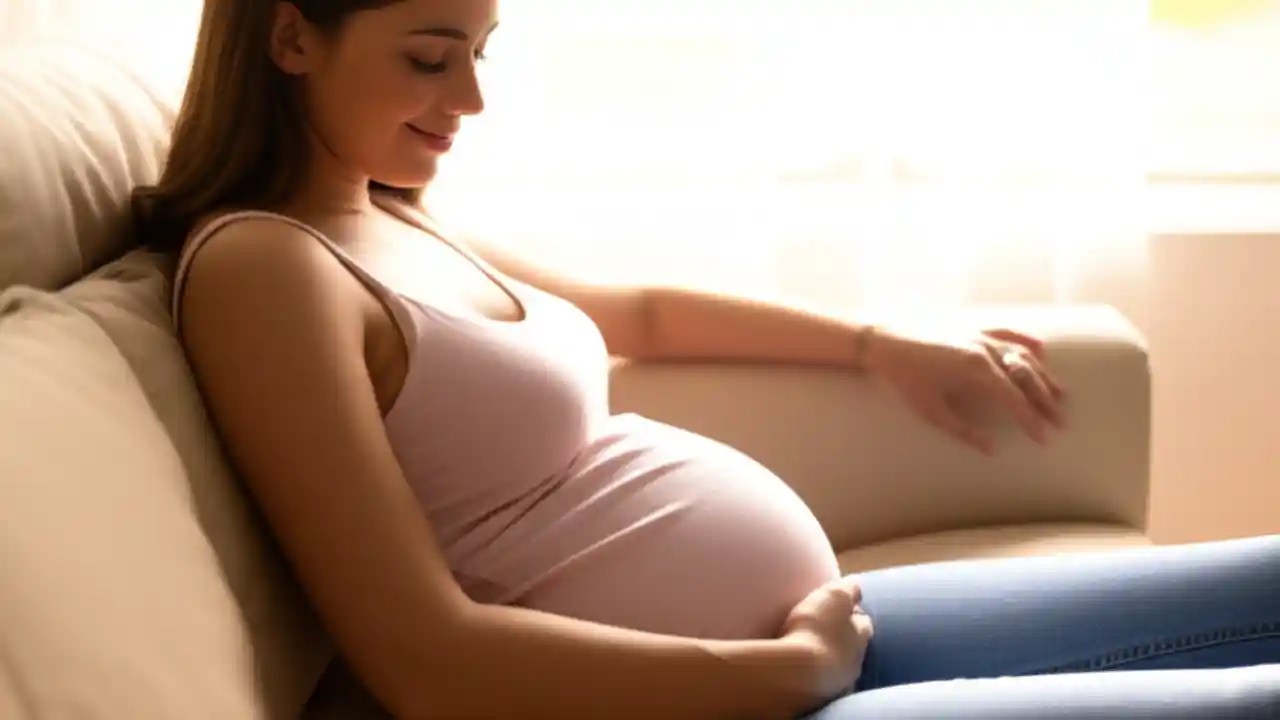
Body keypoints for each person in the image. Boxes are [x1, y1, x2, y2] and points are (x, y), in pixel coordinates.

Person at [133, 1, 1280, 717]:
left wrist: (882, 344)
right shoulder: (262, 271)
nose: (472, 98)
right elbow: (428, 663)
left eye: (482, 50)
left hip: (796, 649)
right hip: (727, 696)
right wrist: (774, 678)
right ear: (290, 34)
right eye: (432, 56)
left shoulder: (389, 210)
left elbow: (637, 313)